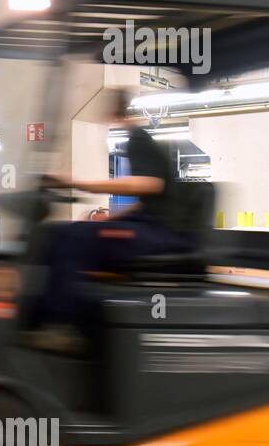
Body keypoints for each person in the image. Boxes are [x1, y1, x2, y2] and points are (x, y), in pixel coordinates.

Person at [27, 89, 197, 353]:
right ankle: (47, 316)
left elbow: (149, 184)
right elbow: (146, 200)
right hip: (152, 227)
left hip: (162, 234)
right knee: (60, 233)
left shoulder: (138, 139)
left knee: (75, 237)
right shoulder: (140, 141)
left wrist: (80, 183)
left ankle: (62, 326)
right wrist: (107, 218)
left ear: (112, 112)